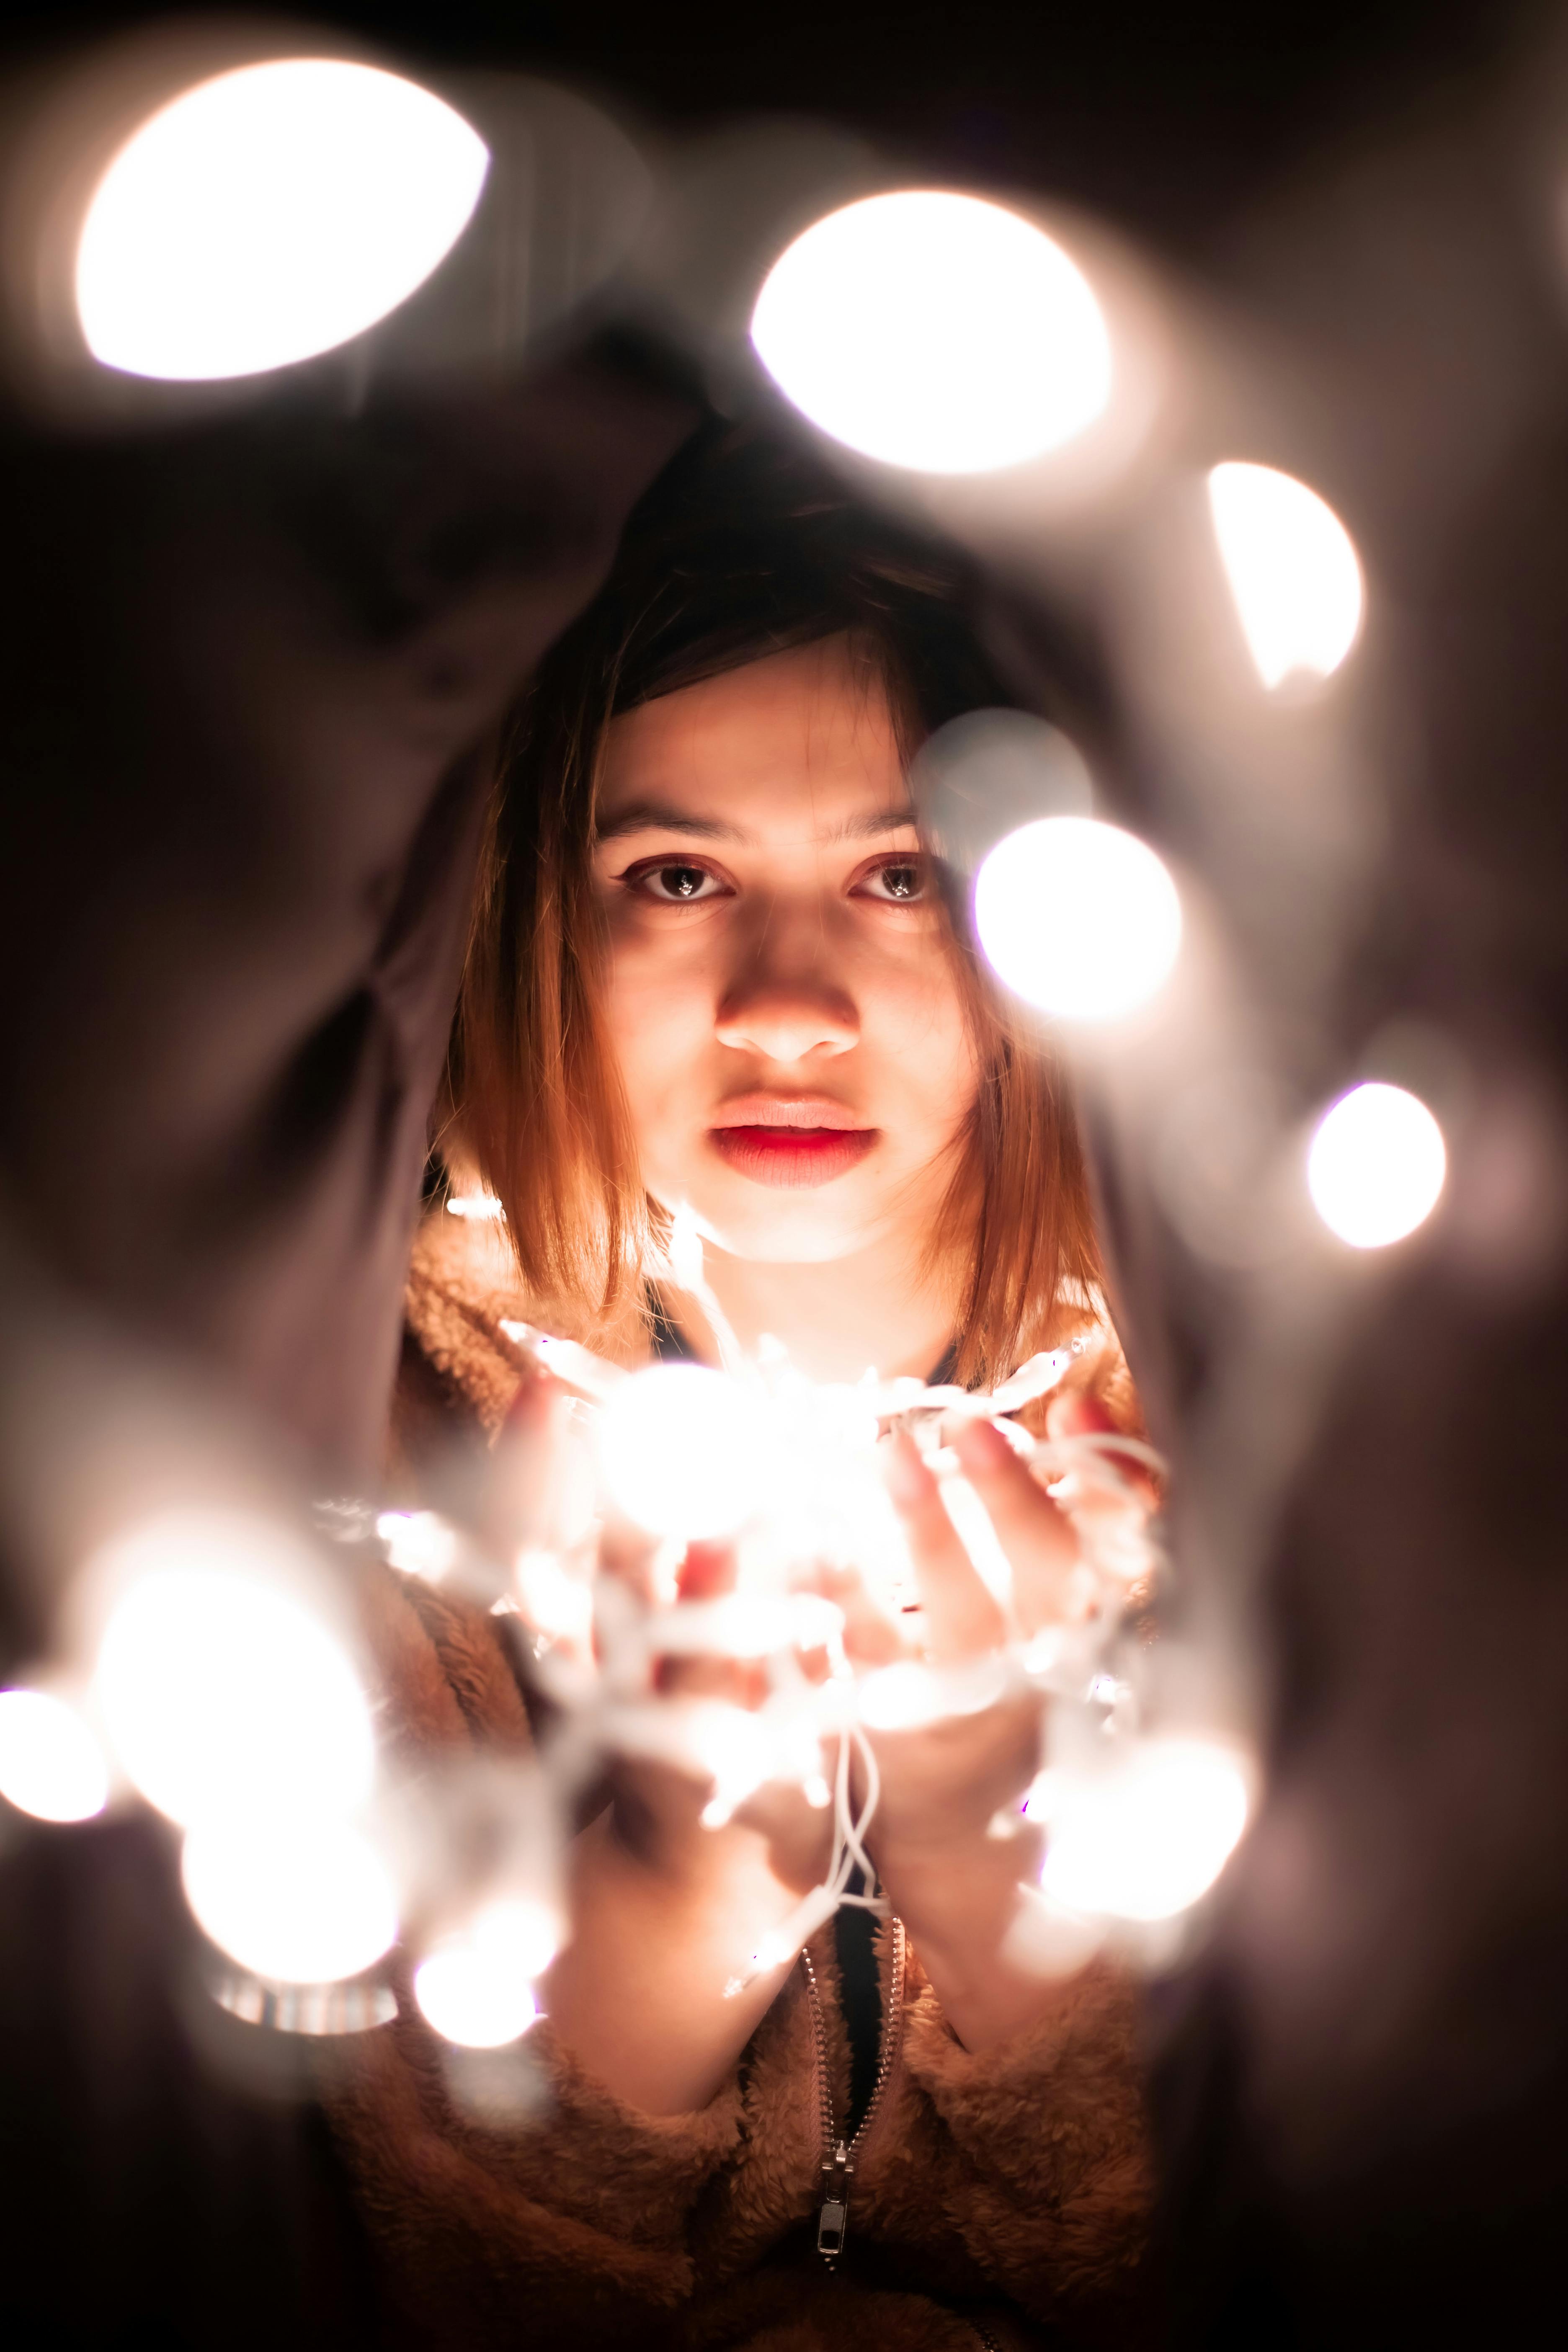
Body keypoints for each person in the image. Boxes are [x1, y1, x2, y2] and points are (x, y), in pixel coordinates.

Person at [327, 427, 1158, 2350]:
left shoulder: (1198, 1435)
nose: (789, 1007)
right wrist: (689, 1879)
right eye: (679, 872)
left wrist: (982, 1832)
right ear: (533, 910)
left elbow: (1228, 2249)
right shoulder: (392, 1459)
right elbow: (455, 2282)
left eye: (900, 874)